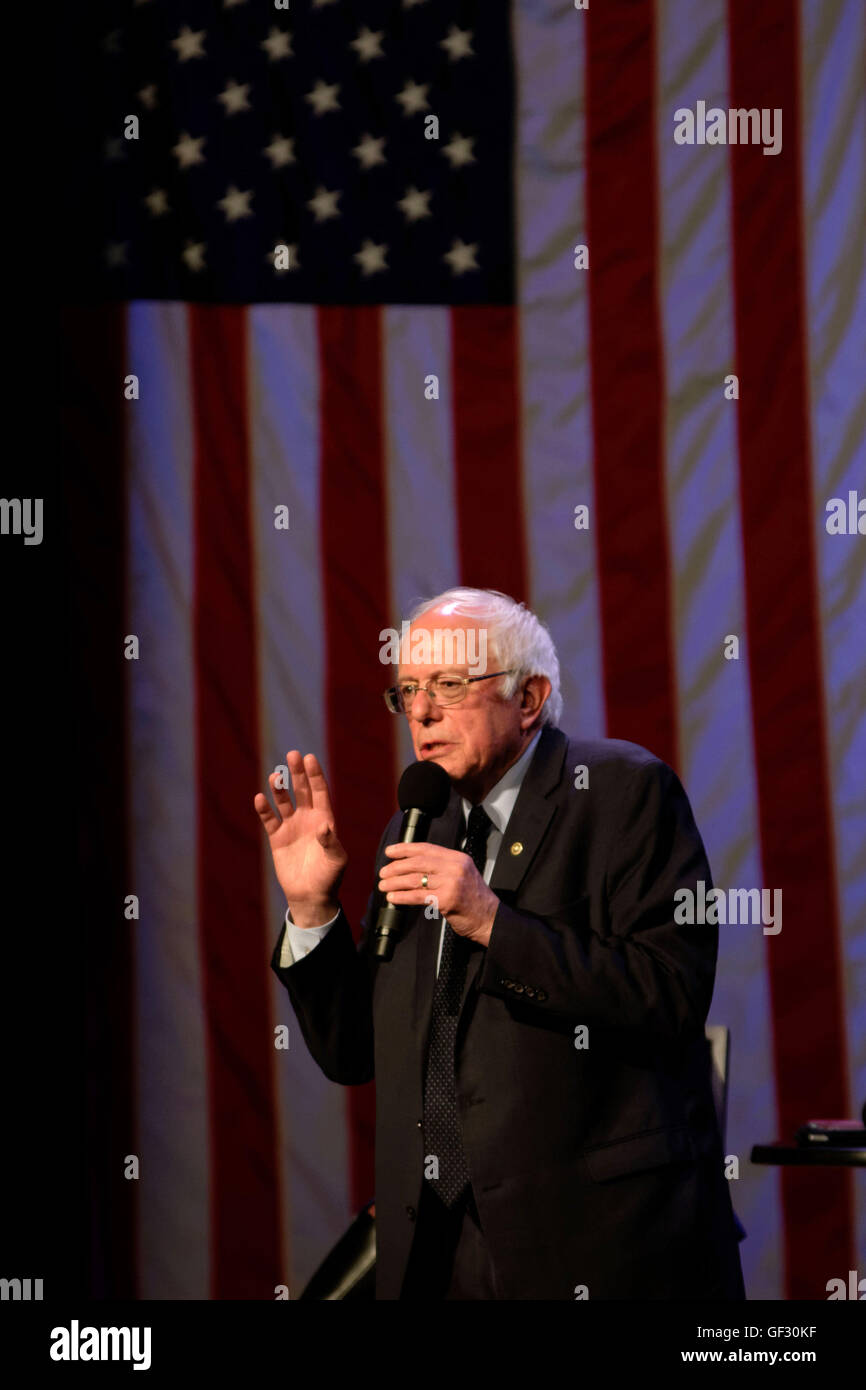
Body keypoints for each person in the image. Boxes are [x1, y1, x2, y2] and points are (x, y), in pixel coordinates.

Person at [255, 587, 745, 1300]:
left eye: (449, 685)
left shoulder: (620, 792)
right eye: (408, 691)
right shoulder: (417, 827)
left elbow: (667, 993)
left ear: (528, 699)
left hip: (595, 1245)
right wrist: (311, 909)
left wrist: (491, 921)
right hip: (437, 1248)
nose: (421, 712)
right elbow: (356, 1050)